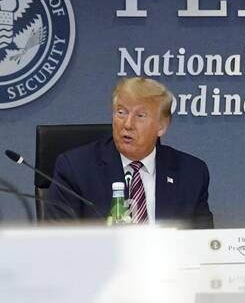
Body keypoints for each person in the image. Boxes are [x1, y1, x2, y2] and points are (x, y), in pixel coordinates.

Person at [45, 77, 213, 227]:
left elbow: (202, 246)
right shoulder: (76, 169)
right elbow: (59, 244)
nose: (127, 124)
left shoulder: (191, 173)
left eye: (140, 115)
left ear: (161, 126)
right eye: (121, 112)